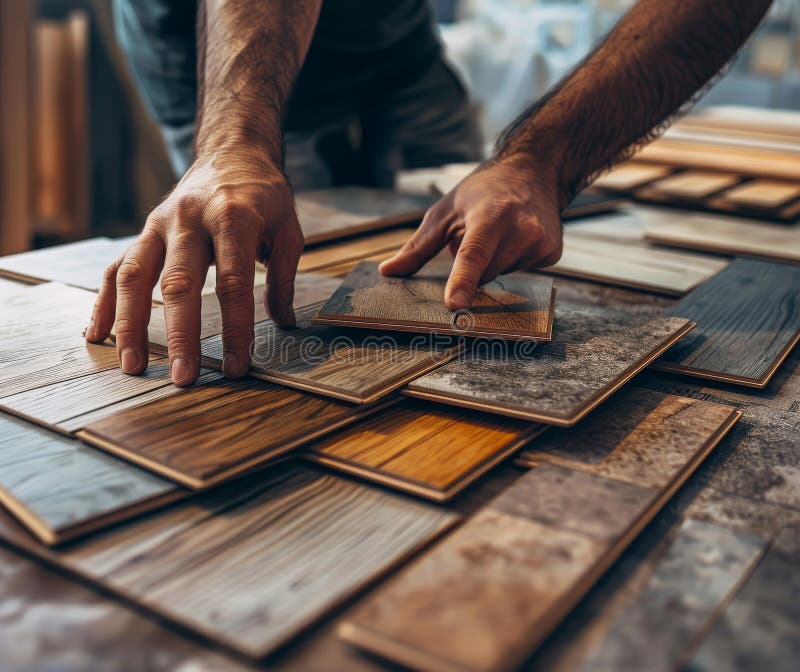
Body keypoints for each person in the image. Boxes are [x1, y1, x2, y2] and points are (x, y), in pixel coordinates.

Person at [86, 0, 774, 387]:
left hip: (393, 37)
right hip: (223, 27)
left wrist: (540, 162)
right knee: (252, 249)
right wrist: (234, 143)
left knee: (459, 220)